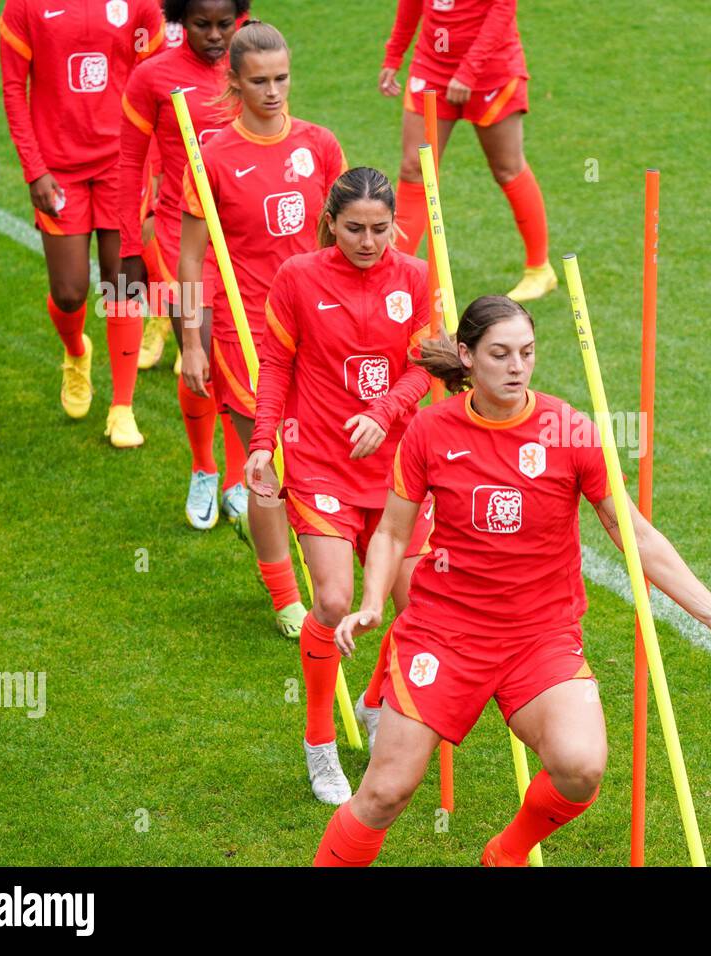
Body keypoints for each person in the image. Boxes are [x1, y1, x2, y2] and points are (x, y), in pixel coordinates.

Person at [312, 296, 711, 866]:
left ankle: (504, 855)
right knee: (385, 793)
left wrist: (710, 611)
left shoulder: (570, 431)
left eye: (527, 353)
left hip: (539, 637)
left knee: (581, 768)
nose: (516, 367)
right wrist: (374, 601)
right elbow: (390, 533)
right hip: (443, 633)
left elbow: (632, 532)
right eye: (500, 354)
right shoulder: (431, 431)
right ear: (467, 356)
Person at [245, 167, 436, 804]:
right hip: (320, 462)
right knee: (332, 601)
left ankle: (378, 697)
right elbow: (276, 365)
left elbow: (423, 371)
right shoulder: (298, 278)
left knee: (421, 603)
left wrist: (383, 416)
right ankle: (321, 744)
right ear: (330, 223)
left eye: (380, 229)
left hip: (396, 468)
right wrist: (261, 444)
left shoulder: (413, 277)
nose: (368, 241)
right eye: (354, 228)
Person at [178, 20, 345, 636]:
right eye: (259, 82)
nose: (273, 92)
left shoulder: (320, 145)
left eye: (281, 78)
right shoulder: (214, 156)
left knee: (315, 453)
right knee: (266, 462)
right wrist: (191, 341)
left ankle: (316, 557)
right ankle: (284, 597)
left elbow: (344, 232)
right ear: (235, 82)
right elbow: (191, 257)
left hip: (317, 329)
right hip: (244, 332)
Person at [0, 0, 164, 446]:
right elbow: (14, 89)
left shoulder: (141, 6)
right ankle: (76, 354)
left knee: (123, 281)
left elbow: (157, 85)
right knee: (69, 292)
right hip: (59, 166)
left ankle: (122, 409)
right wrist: (34, 169)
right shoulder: (24, 7)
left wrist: (154, 168)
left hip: (123, 162)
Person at [119, 0, 252, 529]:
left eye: (226, 24)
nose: (216, 36)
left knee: (240, 360)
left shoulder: (251, 64)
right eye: (203, 25)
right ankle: (203, 468)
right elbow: (130, 161)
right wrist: (131, 245)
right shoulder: (152, 77)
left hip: (244, 238)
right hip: (183, 240)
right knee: (198, 354)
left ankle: (240, 478)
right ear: (180, 21)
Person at [379, 0, 556, 302]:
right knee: (414, 168)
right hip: (432, 66)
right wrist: (394, 55)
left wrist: (469, 70)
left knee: (506, 167)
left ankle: (539, 270)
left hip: (490, 70)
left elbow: (503, 7)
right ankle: (391, 273)